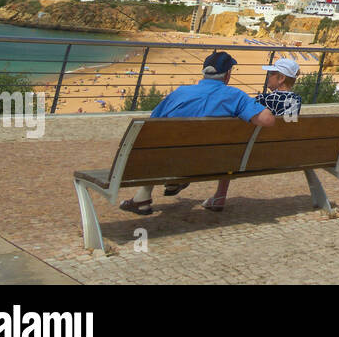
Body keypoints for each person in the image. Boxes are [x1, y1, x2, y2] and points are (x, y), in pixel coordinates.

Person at [119, 51, 275, 216]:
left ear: (204, 73)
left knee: (161, 143)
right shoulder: (236, 96)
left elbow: (153, 123)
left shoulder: (179, 92)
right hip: (213, 164)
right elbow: (268, 120)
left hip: (168, 163)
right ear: (227, 74)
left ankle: (149, 193)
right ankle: (177, 182)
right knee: (224, 147)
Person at [205, 56, 302, 211]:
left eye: (271, 74)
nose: (268, 77)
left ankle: (219, 197)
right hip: (282, 153)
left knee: (229, 150)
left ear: (281, 78)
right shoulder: (297, 100)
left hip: (252, 156)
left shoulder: (263, 99)